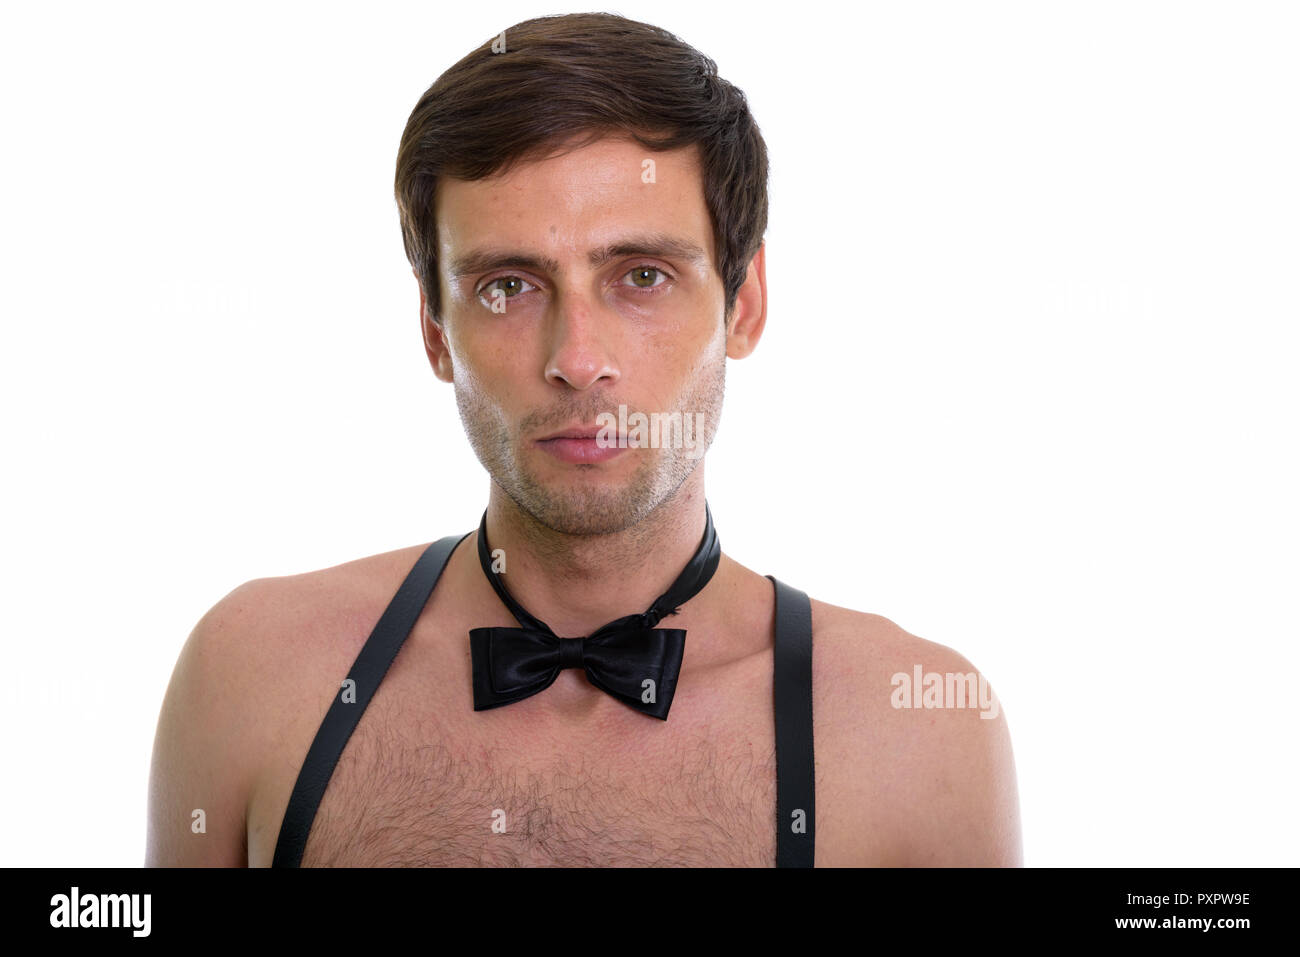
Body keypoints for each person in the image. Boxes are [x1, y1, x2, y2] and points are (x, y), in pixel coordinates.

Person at [145, 11, 1021, 867]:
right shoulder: (254, 680)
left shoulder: (916, 742)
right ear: (434, 330)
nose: (577, 359)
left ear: (743, 304)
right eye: (508, 285)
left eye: (642, 275)